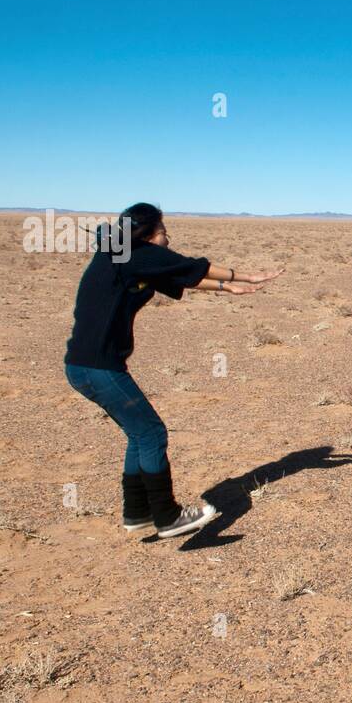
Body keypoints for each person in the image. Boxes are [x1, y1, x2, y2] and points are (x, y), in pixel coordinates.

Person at [64, 203, 283, 537]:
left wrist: (227, 288)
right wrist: (244, 275)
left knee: (139, 435)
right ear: (150, 233)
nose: (169, 236)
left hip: (85, 365)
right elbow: (192, 267)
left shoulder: (122, 254)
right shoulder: (138, 254)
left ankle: (138, 514)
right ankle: (168, 516)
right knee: (152, 433)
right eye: (164, 230)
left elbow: (178, 276)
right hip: (99, 367)